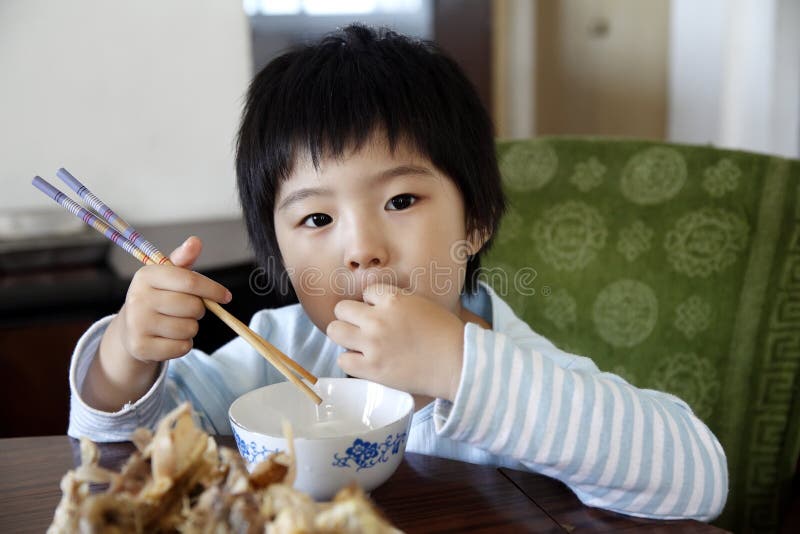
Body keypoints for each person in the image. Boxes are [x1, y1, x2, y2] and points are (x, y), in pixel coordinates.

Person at [68, 24, 727, 520]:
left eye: (401, 201)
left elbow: (698, 480)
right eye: (316, 220)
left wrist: (457, 367)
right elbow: (123, 459)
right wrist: (126, 355)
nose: (362, 249)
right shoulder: (281, 353)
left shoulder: (512, 366)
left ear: (476, 223)